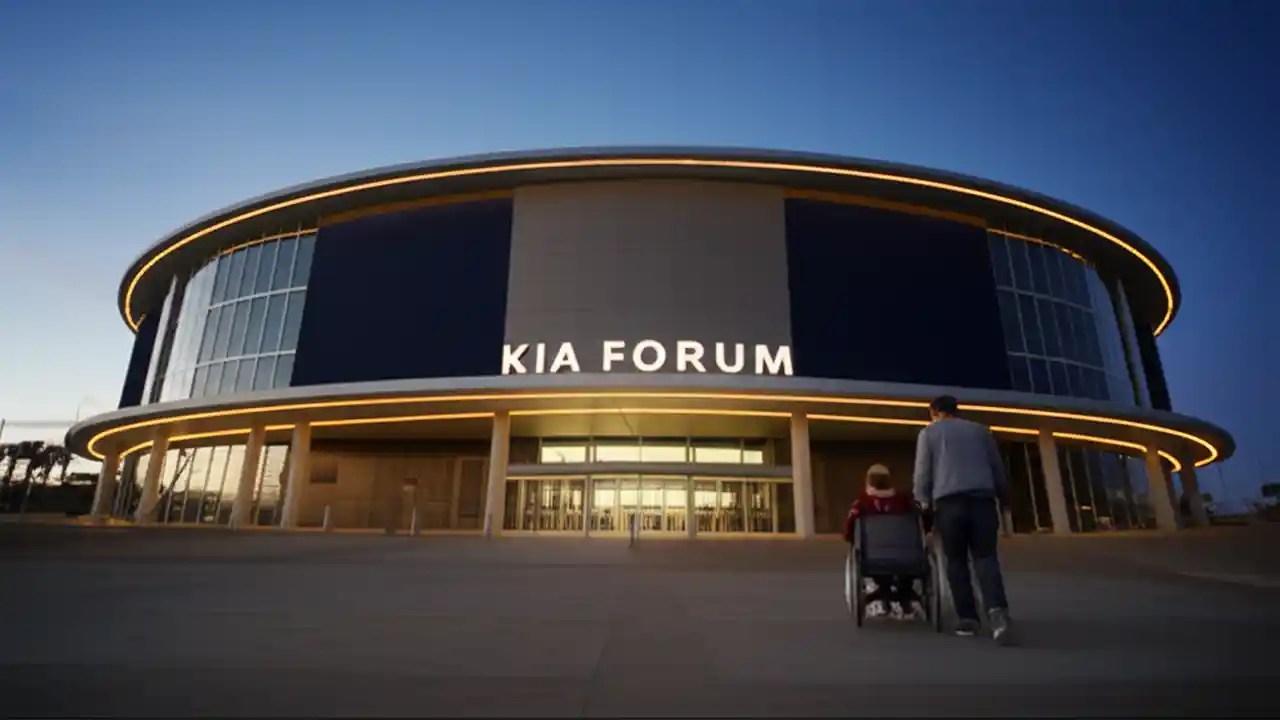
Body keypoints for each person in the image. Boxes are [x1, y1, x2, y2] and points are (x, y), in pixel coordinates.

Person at [912, 395, 1015, 644]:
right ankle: (997, 614)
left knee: (956, 561)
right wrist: (1005, 499)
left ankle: (968, 619)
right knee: (986, 558)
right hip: (983, 502)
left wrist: (922, 502)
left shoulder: (929, 434)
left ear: (935, 411)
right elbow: (996, 467)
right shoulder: (981, 432)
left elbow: (923, 472)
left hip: (949, 505)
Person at [843, 464, 923, 620]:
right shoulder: (905, 500)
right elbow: (922, 515)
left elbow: (849, 528)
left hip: (874, 559)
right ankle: (905, 593)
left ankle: (884, 591)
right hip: (908, 557)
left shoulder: (861, 502)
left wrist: (850, 539)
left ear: (869, 481)